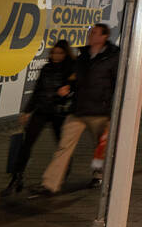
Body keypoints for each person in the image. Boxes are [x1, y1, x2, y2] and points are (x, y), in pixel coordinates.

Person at [33, 24, 118, 197]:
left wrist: (113, 109)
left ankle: (99, 175)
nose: (90, 35)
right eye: (90, 32)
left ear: (104, 37)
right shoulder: (83, 55)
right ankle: (50, 184)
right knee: (64, 146)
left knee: (101, 148)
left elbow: (118, 83)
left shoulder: (114, 57)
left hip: (101, 111)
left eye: (94, 33)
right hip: (78, 110)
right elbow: (75, 77)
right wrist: (69, 87)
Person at [4, 40, 75, 197]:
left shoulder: (70, 70)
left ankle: (63, 172)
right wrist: (27, 111)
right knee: (27, 143)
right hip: (42, 109)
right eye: (54, 53)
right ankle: (17, 177)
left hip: (58, 112)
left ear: (65, 54)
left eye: (60, 53)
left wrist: (68, 91)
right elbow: (37, 91)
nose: (56, 56)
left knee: (62, 145)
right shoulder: (46, 69)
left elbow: (75, 89)